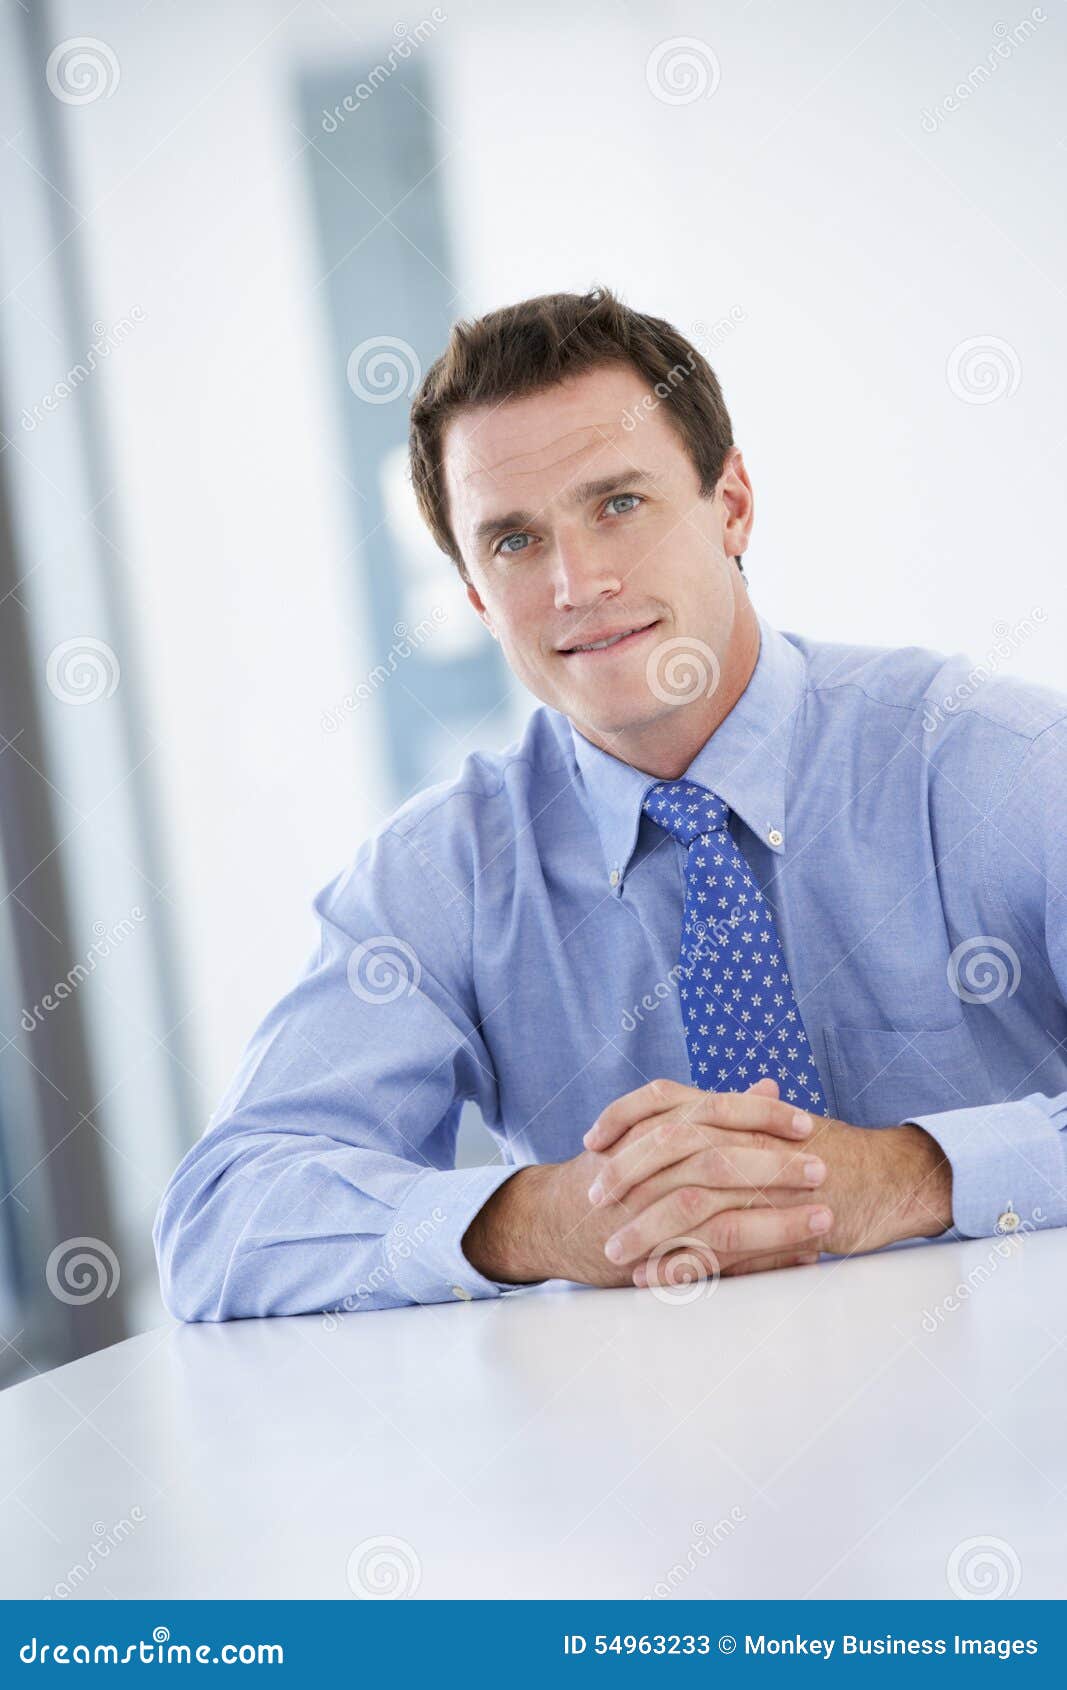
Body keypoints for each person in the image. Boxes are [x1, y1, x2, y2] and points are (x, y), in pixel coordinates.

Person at [154, 287, 1067, 1320]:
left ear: (731, 505)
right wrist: (542, 1219)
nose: (576, 583)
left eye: (617, 504)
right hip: (655, 1418)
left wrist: (908, 1175)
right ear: (474, 597)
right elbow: (221, 1224)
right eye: (513, 541)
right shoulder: (440, 875)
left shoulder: (994, 762)